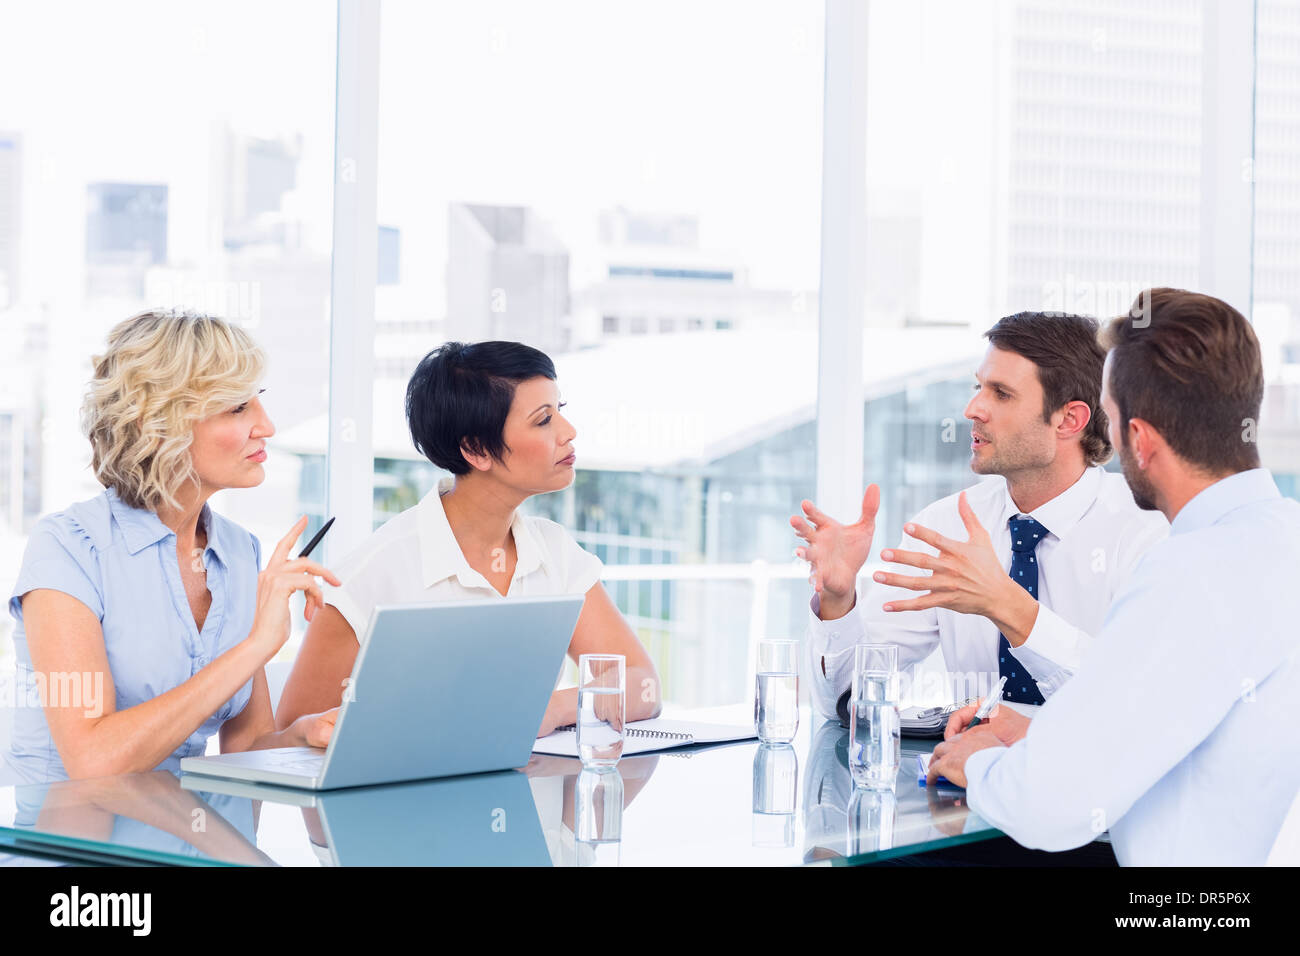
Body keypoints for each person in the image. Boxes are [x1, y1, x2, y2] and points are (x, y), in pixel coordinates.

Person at [928, 288, 1300, 866]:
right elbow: (1179, 735)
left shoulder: (1190, 570)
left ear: (1141, 440)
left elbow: (1046, 806)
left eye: (1113, 417)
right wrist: (1036, 736)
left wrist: (973, 762)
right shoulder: (1280, 540)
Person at [4, 311, 339, 785]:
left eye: (256, 402)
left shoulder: (239, 552)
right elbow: (94, 762)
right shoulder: (69, 548)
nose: (266, 426)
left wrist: (301, 736)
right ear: (160, 424)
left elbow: (244, 748)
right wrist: (258, 644)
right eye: (237, 408)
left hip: (179, 834)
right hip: (63, 842)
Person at [275, 341, 661, 737]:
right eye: (544, 420)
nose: (568, 432)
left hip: (530, 790)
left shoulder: (554, 551)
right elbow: (291, 739)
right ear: (476, 450)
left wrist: (550, 708)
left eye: (559, 412)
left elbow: (641, 684)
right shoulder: (370, 574)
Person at [793, 311, 1168, 719]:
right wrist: (837, 601)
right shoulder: (946, 526)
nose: (973, 408)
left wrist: (1006, 604)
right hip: (965, 780)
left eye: (1001, 394)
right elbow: (846, 704)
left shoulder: (1145, 532)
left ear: (1070, 419)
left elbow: (1138, 704)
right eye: (978, 387)